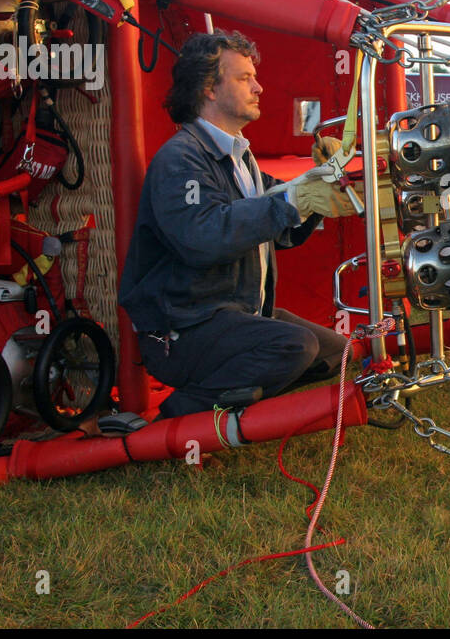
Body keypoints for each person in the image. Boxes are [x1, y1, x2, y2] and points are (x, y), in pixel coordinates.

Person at [118, 31, 355, 420]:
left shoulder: (239, 158)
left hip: (235, 315)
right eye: (245, 78)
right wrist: (296, 199)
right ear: (210, 88)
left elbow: (280, 229)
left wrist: (318, 182)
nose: (259, 86)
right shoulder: (181, 160)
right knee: (293, 347)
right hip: (185, 328)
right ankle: (179, 420)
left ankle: (235, 401)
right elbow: (203, 237)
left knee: (337, 353)